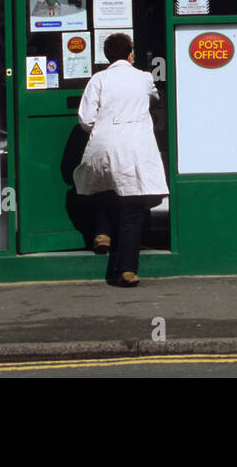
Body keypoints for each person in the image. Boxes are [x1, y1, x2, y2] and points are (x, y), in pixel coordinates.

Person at [73, 32, 167, 287]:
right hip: (135, 146)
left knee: (103, 188)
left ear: (107, 56)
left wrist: (102, 127)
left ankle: (102, 232)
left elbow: (85, 118)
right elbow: (154, 99)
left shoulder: (98, 79)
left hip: (104, 143)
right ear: (130, 54)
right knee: (132, 209)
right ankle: (126, 269)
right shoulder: (144, 78)